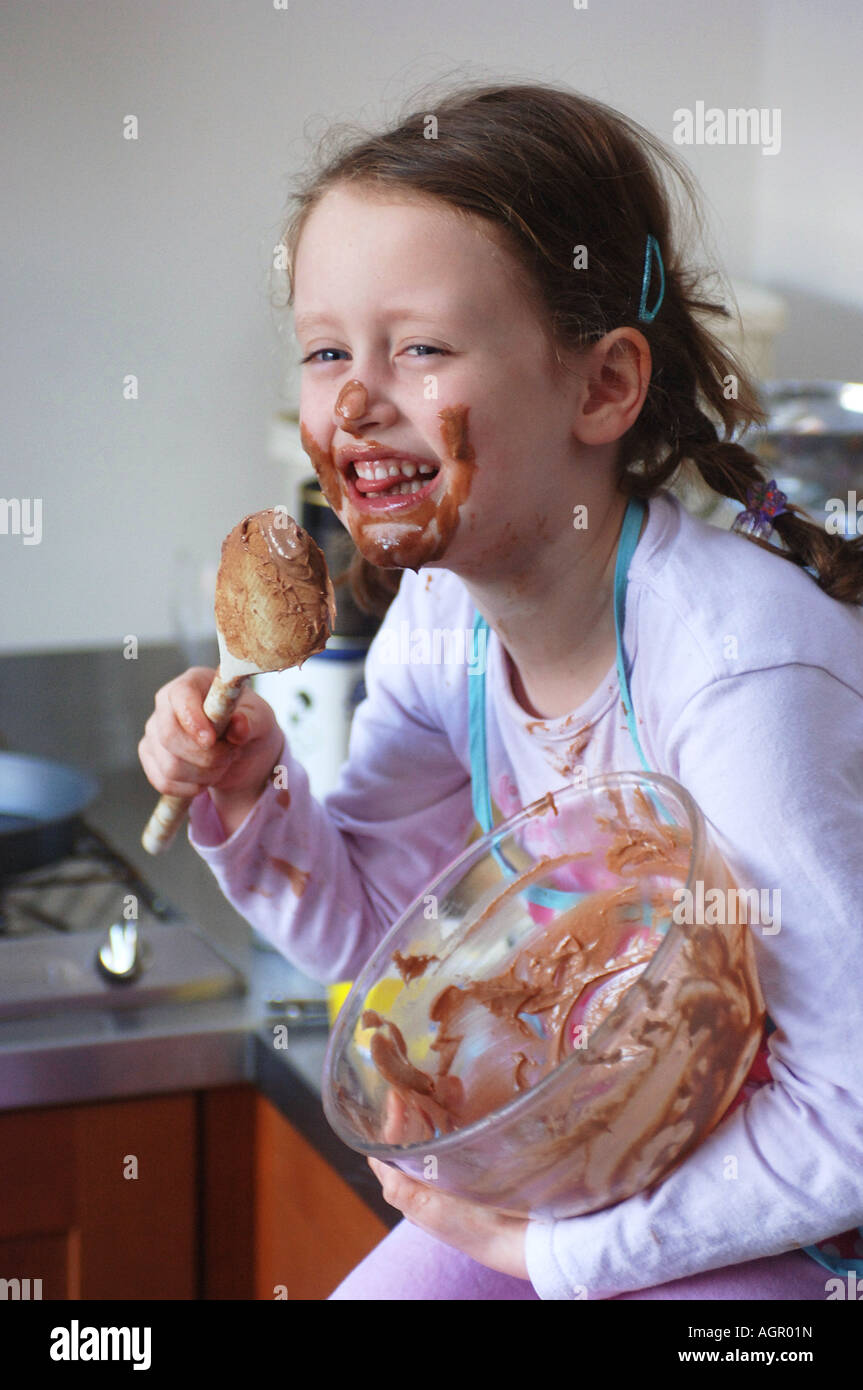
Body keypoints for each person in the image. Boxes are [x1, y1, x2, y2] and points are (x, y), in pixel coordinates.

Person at [138, 82, 863, 1300]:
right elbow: (386, 933)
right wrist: (255, 797)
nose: (353, 400)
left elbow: (847, 1112)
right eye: (326, 352)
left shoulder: (739, 678)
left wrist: (550, 1258)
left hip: (806, 1214)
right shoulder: (442, 624)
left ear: (600, 387)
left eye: (418, 348)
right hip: (625, 1148)